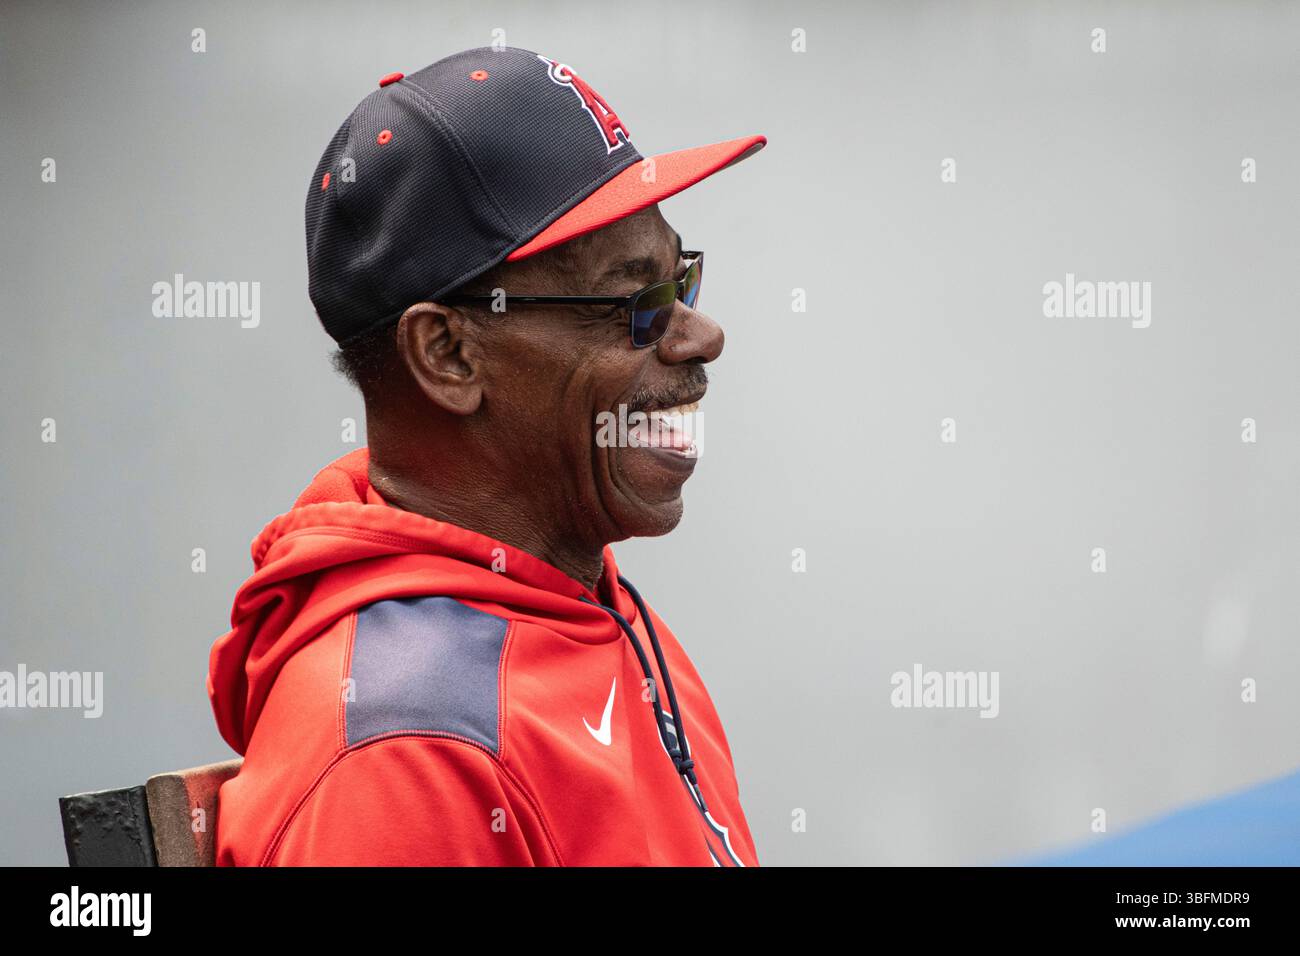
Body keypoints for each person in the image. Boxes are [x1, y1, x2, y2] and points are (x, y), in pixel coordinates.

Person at [206, 45, 766, 865]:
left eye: (680, 281)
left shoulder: (593, 608)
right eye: (637, 302)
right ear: (448, 355)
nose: (702, 335)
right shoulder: (407, 755)